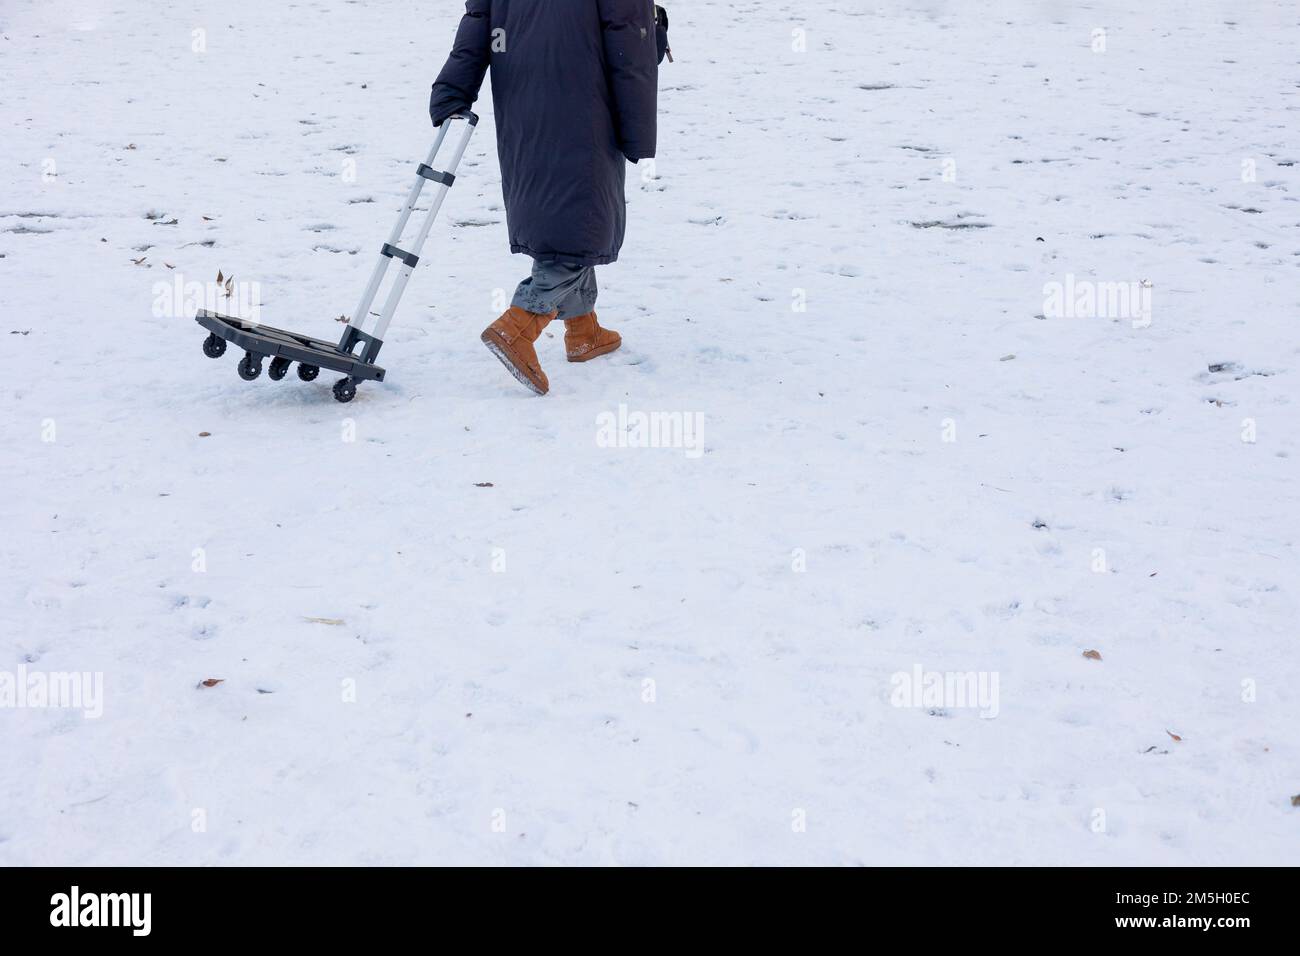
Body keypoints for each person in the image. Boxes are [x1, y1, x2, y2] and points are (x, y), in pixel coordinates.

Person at [429, 1, 668, 395]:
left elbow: (477, 24)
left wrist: (452, 90)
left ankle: (583, 328)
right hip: (585, 100)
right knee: (582, 210)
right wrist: (638, 132)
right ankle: (519, 325)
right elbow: (630, 51)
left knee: (561, 205)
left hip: (522, 99)